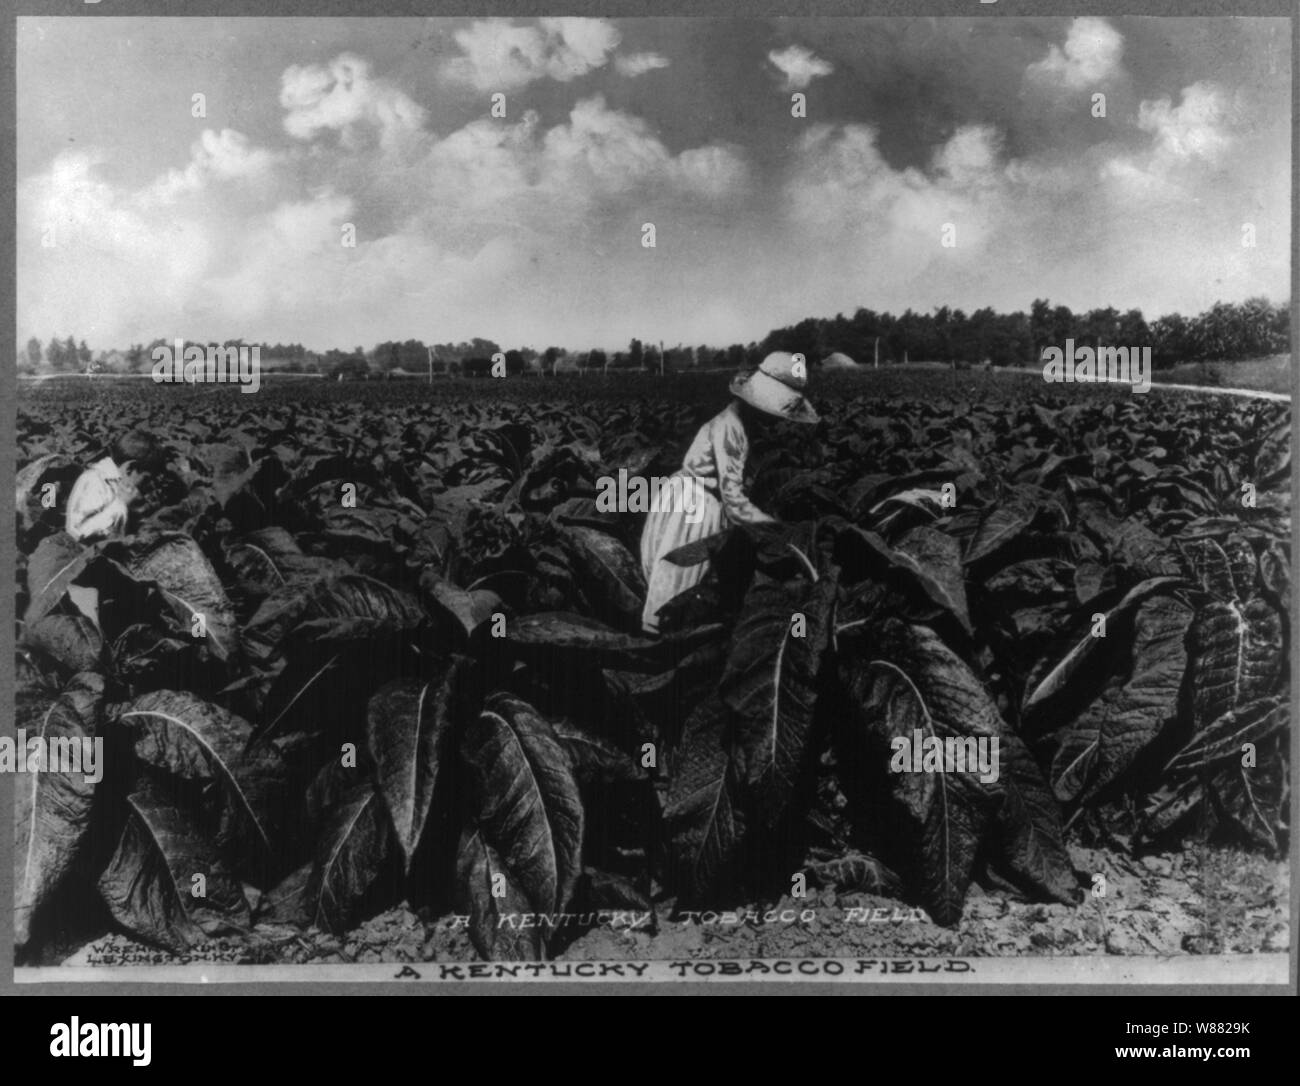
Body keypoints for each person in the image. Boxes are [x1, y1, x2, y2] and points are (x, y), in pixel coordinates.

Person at [639, 351, 818, 634]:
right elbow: (733, 501)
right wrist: (777, 532)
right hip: (695, 506)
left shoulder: (737, 422)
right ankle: (660, 648)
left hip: (692, 497)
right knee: (678, 587)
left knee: (684, 585)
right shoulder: (731, 429)